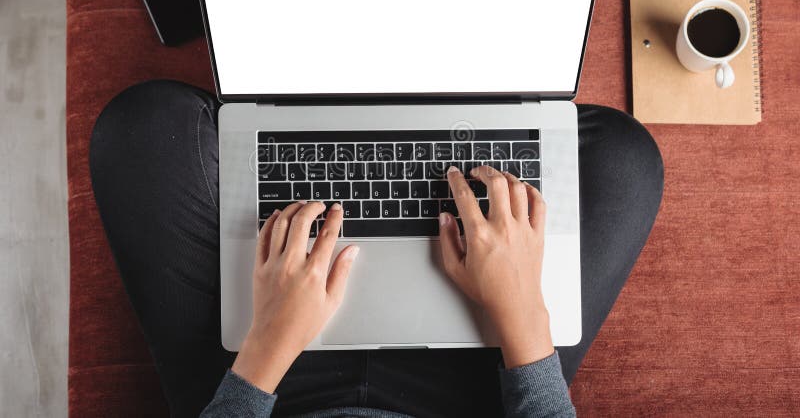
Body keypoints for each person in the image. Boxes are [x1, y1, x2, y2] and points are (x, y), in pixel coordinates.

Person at [90, 80, 663, 418]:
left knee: (143, 125)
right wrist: (522, 313)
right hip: (469, 396)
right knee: (625, 158)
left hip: (270, 389)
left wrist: (267, 342)